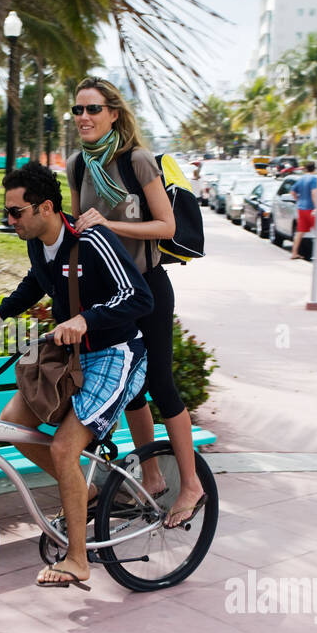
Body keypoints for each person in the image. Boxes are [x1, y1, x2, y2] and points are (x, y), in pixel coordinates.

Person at [0, 162, 153, 589]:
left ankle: (78, 559)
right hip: (70, 355)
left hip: (114, 353)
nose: (10, 220)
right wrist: (1, 312)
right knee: (9, 427)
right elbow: (35, 283)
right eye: (8, 212)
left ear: (46, 207)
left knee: (63, 449)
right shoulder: (39, 243)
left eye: (16, 212)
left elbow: (138, 297)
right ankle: (86, 493)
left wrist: (87, 320)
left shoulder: (92, 239)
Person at [65, 76, 206, 530]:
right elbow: (78, 229)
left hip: (148, 287)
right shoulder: (77, 166)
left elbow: (165, 227)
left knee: (161, 383)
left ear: (114, 114)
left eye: (93, 109)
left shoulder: (138, 162)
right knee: (131, 388)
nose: (84, 117)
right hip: (108, 295)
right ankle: (150, 476)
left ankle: (191, 485)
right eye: (77, 110)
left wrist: (109, 225)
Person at [289, 160, 317, 260]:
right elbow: (314, 193)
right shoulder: (314, 179)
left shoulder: (301, 179)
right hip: (310, 208)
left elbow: (292, 192)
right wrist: (316, 207)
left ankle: (294, 252)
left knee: (300, 232)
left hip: (301, 208)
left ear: (305, 169)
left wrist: (298, 200)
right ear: (314, 169)